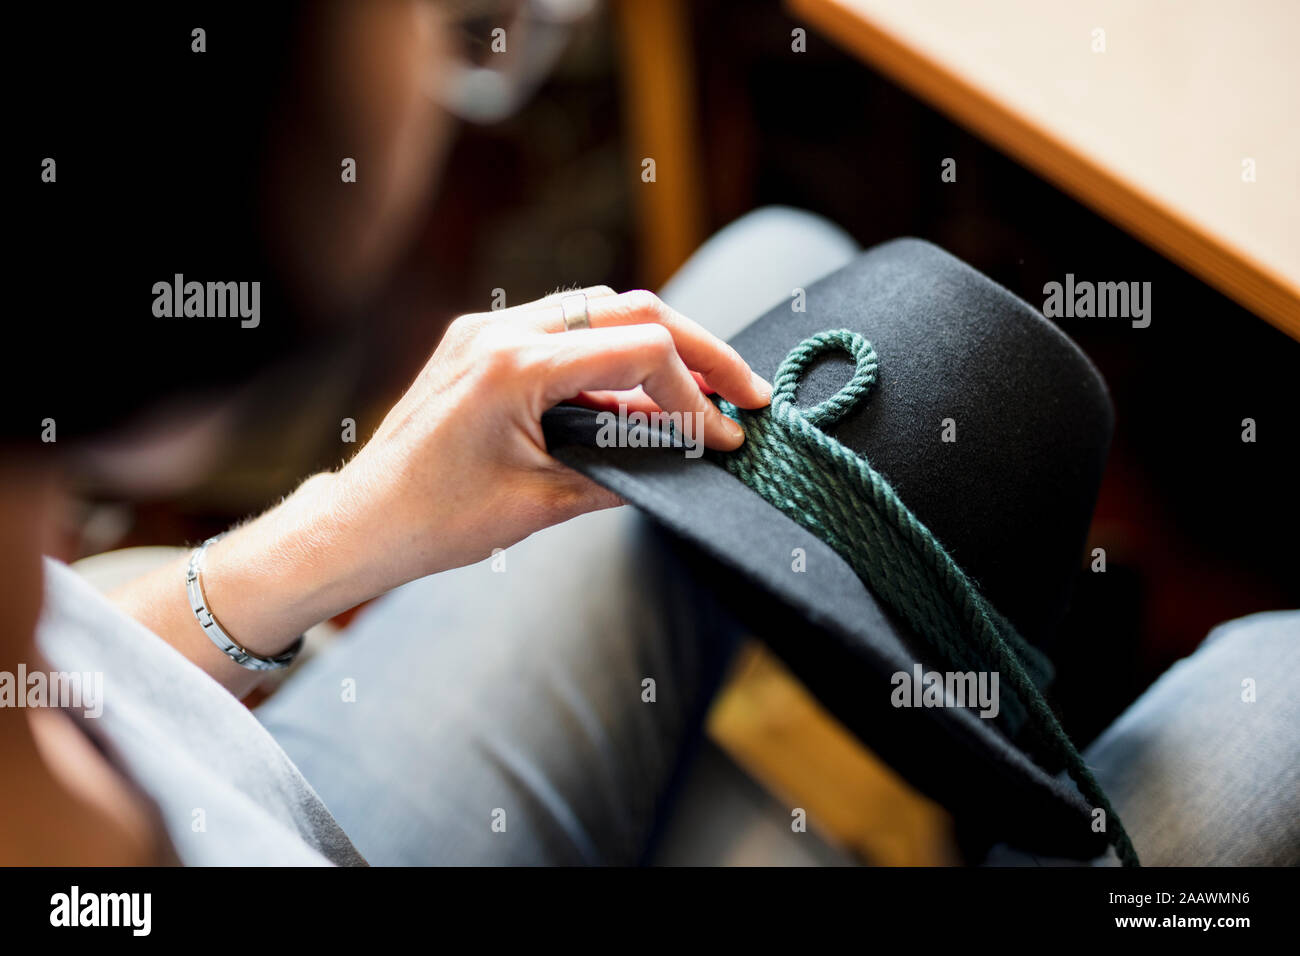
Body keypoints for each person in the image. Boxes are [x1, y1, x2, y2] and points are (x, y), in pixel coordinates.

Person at [3, 0, 1295, 866]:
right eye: (453, 29)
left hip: (245, 791)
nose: (467, 58)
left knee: (770, 270)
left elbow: (66, 670)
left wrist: (336, 535)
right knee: (1275, 712)